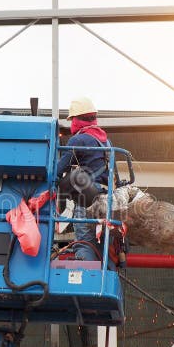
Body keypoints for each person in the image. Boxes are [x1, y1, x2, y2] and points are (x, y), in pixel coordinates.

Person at [56, 97, 111, 261]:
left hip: (87, 199)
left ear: (78, 120)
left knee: (84, 242)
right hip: (106, 198)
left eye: (73, 120)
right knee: (102, 244)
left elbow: (60, 169)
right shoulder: (105, 141)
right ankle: (104, 279)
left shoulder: (79, 139)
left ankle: (88, 279)